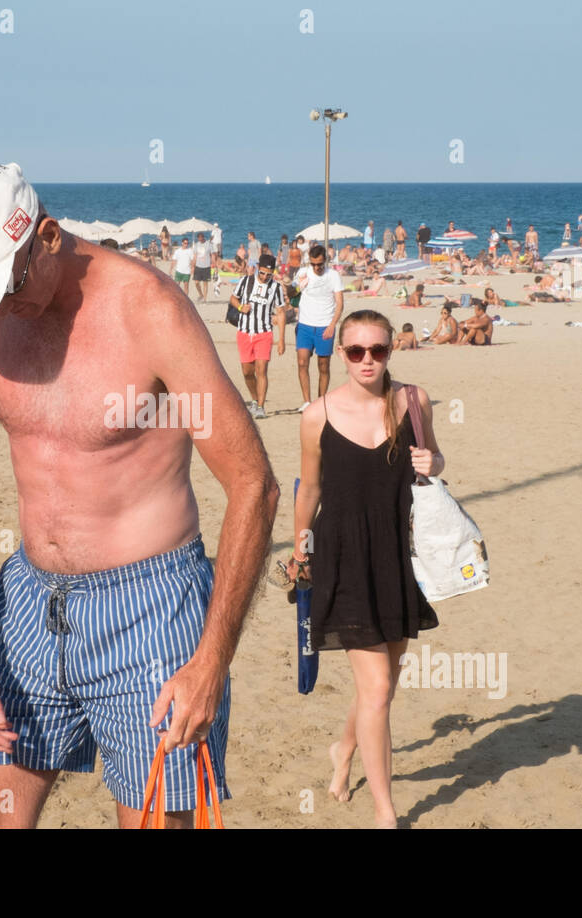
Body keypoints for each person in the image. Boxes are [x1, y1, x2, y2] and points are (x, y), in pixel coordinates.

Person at [0, 163, 277, 828]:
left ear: (49, 236)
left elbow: (251, 484)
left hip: (151, 612)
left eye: (8, 281)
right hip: (28, 606)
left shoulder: (146, 309)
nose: (0, 304)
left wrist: (210, 661)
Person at [290, 309, 442, 826]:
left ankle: (345, 751)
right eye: (355, 351)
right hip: (342, 555)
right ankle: (386, 812)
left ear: (390, 351)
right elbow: (309, 488)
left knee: (382, 686)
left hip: (398, 555)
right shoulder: (318, 414)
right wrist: (299, 549)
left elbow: (436, 459)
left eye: (377, 350)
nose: (367, 360)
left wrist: (433, 464)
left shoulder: (413, 401)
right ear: (344, 353)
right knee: (377, 689)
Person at [230, 252, 287, 418]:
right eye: (262, 273)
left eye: (269, 274)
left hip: (264, 333)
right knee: (247, 372)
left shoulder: (275, 287)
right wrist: (241, 307)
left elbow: (281, 312)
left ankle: (261, 407)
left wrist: (281, 339)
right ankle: (254, 400)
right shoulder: (246, 281)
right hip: (244, 333)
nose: (264, 277)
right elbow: (233, 298)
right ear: (257, 269)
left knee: (262, 370)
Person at [295, 244, 344, 411]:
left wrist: (332, 325)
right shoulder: (303, 273)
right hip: (305, 324)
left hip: (325, 325)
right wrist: (296, 285)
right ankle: (307, 401)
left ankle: (321, 401)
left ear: (325, 261)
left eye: (320, 264)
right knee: (302, 362)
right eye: (313, 264)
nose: (317, 267)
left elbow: (340, 304)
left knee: (323, 365)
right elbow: (291, 293)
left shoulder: (333, 276)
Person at [192, 232, 213, 302]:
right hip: (198, 266)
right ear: (198, 238)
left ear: (203, 237)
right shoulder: (196, 245)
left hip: (206, 266)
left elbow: (212, 255)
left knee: (205, 283)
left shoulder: (208, 244)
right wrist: (193, 266)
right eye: (199, 238)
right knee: (196, 283)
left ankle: (205, 299)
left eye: (202, 237)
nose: (200, 239)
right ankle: (201, 294)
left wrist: (213, 263)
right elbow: (195, 256)